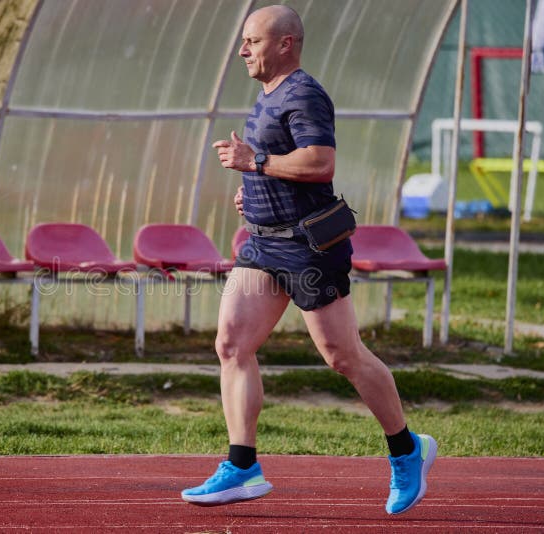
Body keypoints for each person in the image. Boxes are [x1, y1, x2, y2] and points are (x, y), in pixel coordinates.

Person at [180, 5, 437, 515]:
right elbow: (283, 167)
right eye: (244, 41)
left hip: (308, 249)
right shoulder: (268, 95)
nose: (242, 50)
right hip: (262, 244)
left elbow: (320, 163)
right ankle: (242, 465)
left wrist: (254, 162)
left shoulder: (305, 93)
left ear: (286, 44)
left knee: (343, 356)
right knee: (231, 344)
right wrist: (253, 190)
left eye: (253, 41)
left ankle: (408, 450)